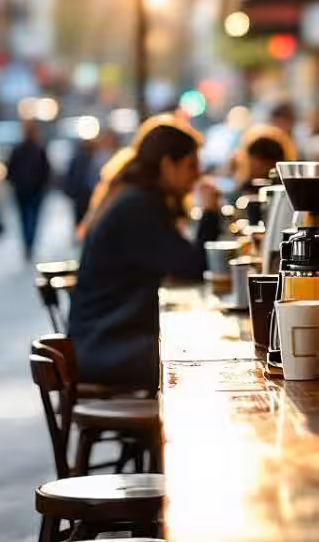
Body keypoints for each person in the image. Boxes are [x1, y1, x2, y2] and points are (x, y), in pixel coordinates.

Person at [68, 115, 221, 391]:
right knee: (199, 361)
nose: (198, 174)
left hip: (104, 338)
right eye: (190, 165)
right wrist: (209, 213)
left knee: (198, 350)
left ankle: (159, 435)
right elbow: (192, 265)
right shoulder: (139, 205)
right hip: (106, 348)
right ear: (166, 165)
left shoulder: (133, 196)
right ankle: (166, 435)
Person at [7, 119, 51, 260]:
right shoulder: (38, 149)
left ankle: (28, 243)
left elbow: (10, 170)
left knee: (26, 218)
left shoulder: (22, 149)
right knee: (31, 218)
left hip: (26, 191)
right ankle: (29, 243)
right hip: (31, 191)